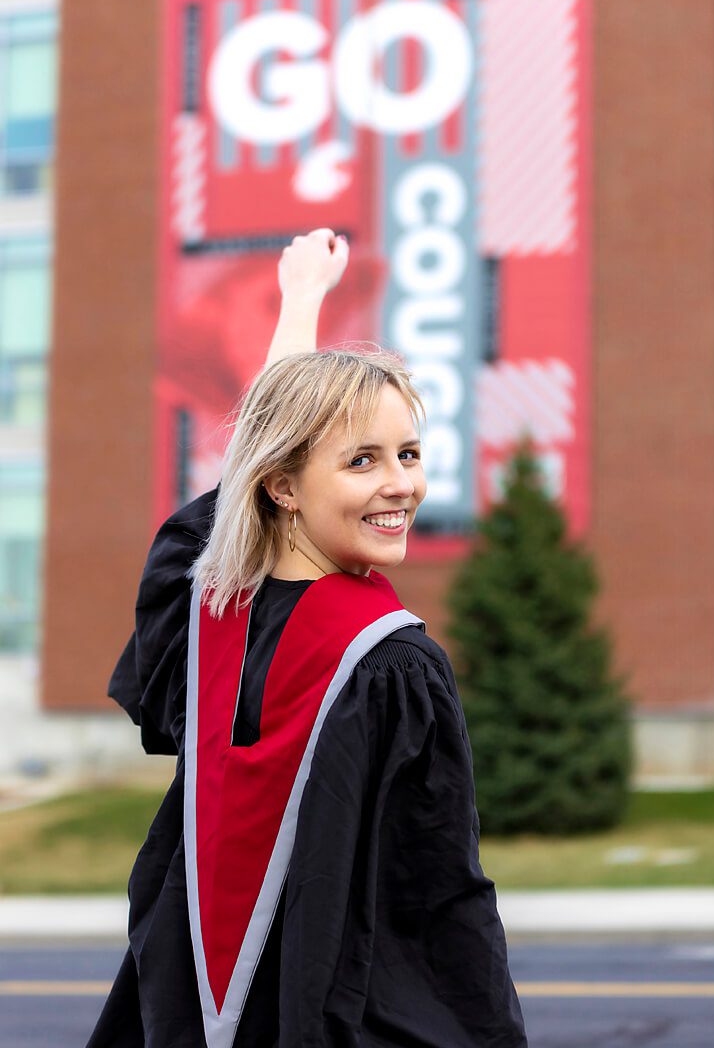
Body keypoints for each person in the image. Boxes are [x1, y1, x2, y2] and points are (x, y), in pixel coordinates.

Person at [86, 229, 528, 1048]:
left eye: (408, 452)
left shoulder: (207, 609)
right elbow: (436, 897)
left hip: (181, 1008)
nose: (401, 483)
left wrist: (299, 304)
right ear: (284, 486)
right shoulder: (393, 663)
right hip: (325, 1009)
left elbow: (247, 479)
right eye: (362, 461)